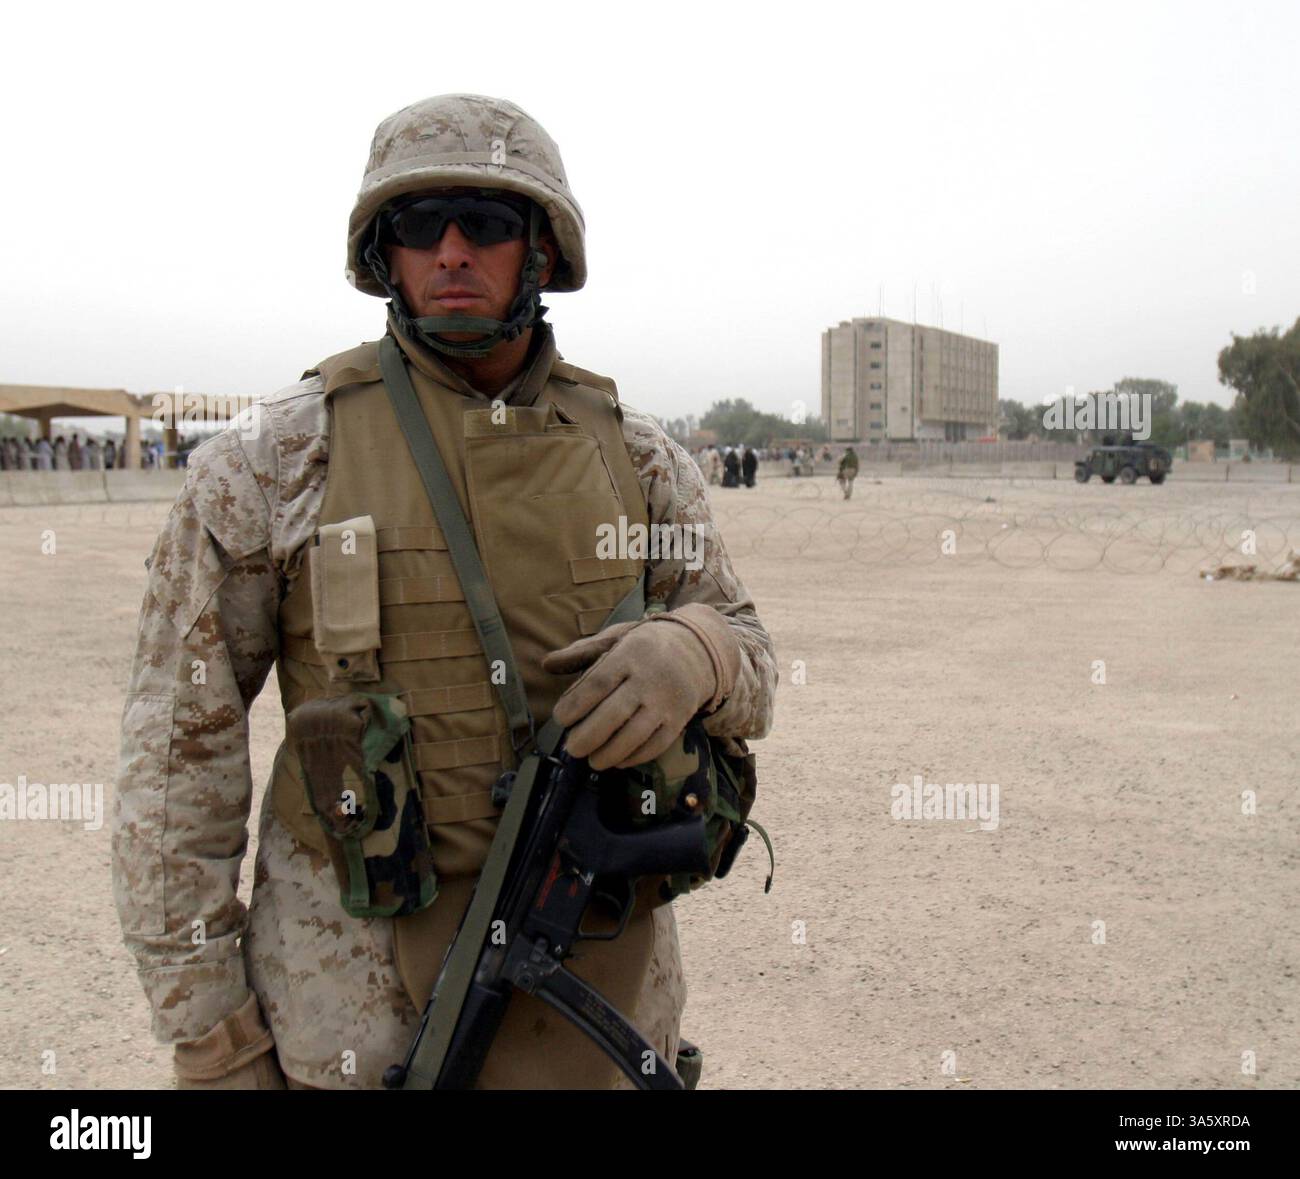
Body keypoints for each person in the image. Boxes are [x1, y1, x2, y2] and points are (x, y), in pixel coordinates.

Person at [112, 93, 777, 1092]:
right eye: (422, 227)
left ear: (540, 254)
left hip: (605, 1008)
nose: (453, 251)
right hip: (354, 1022)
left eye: (489, 224)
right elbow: (175, 770)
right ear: (385, 254)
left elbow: (755, 666)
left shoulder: (637, 459)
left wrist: (700, 652)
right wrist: (213, 1043)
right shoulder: (272, 463)